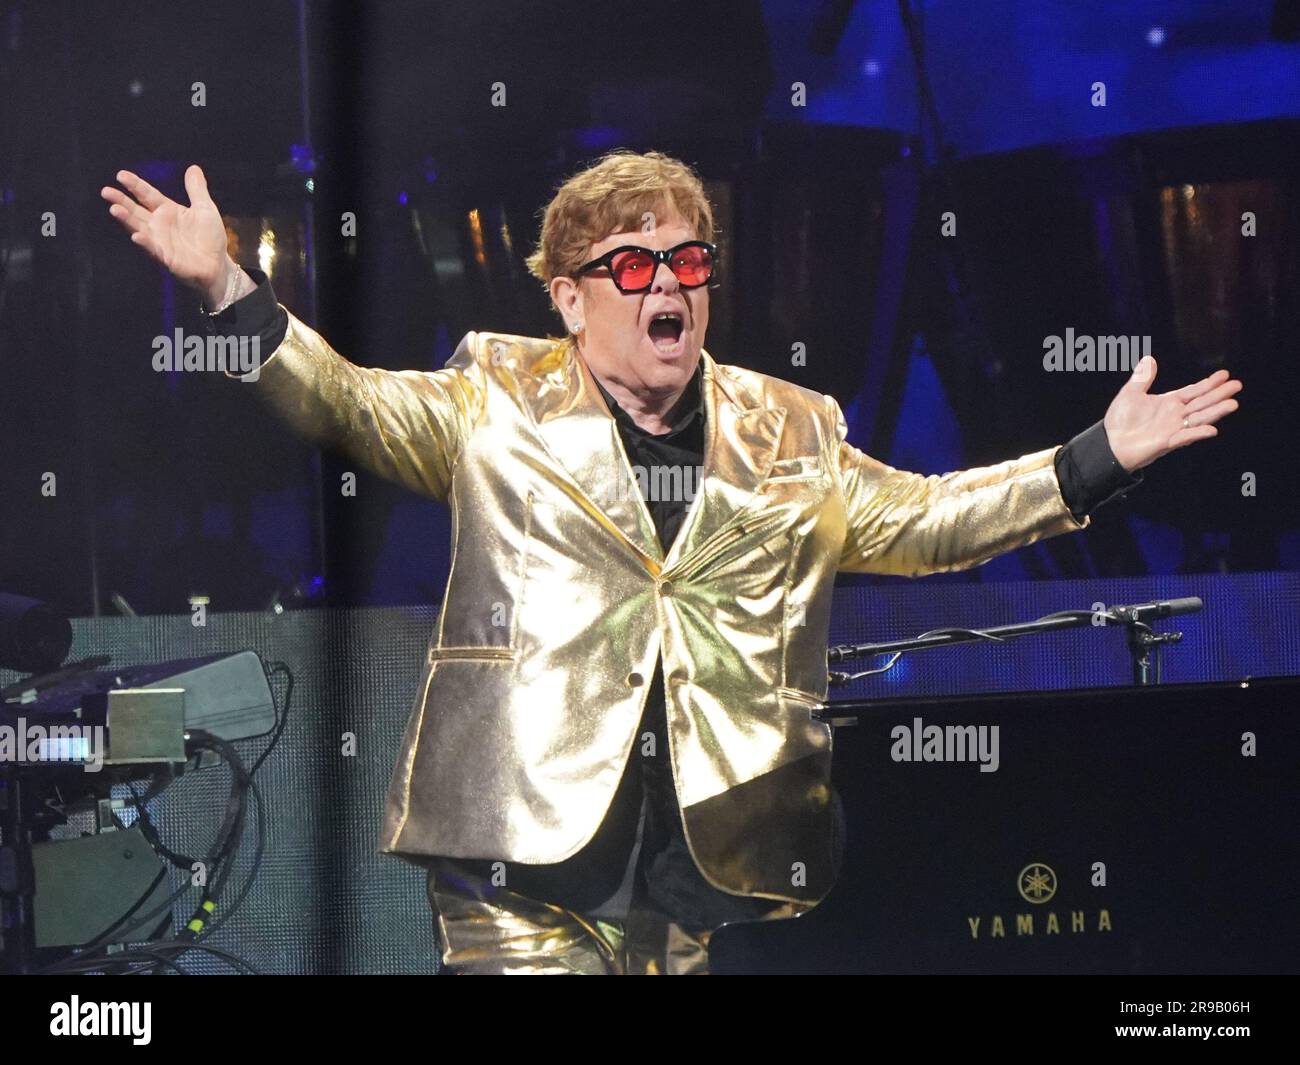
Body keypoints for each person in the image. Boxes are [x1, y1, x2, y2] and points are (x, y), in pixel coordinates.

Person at [102, 150, 1242, 974]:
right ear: (567, 295)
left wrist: (1095, 459)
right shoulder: (495, 398)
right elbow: (344, 401)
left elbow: (923, 520)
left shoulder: (791, 426)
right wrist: (225, 291)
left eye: (687, 259)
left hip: (714, 861)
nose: (669, 285)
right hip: (525, 863)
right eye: (633, 265)